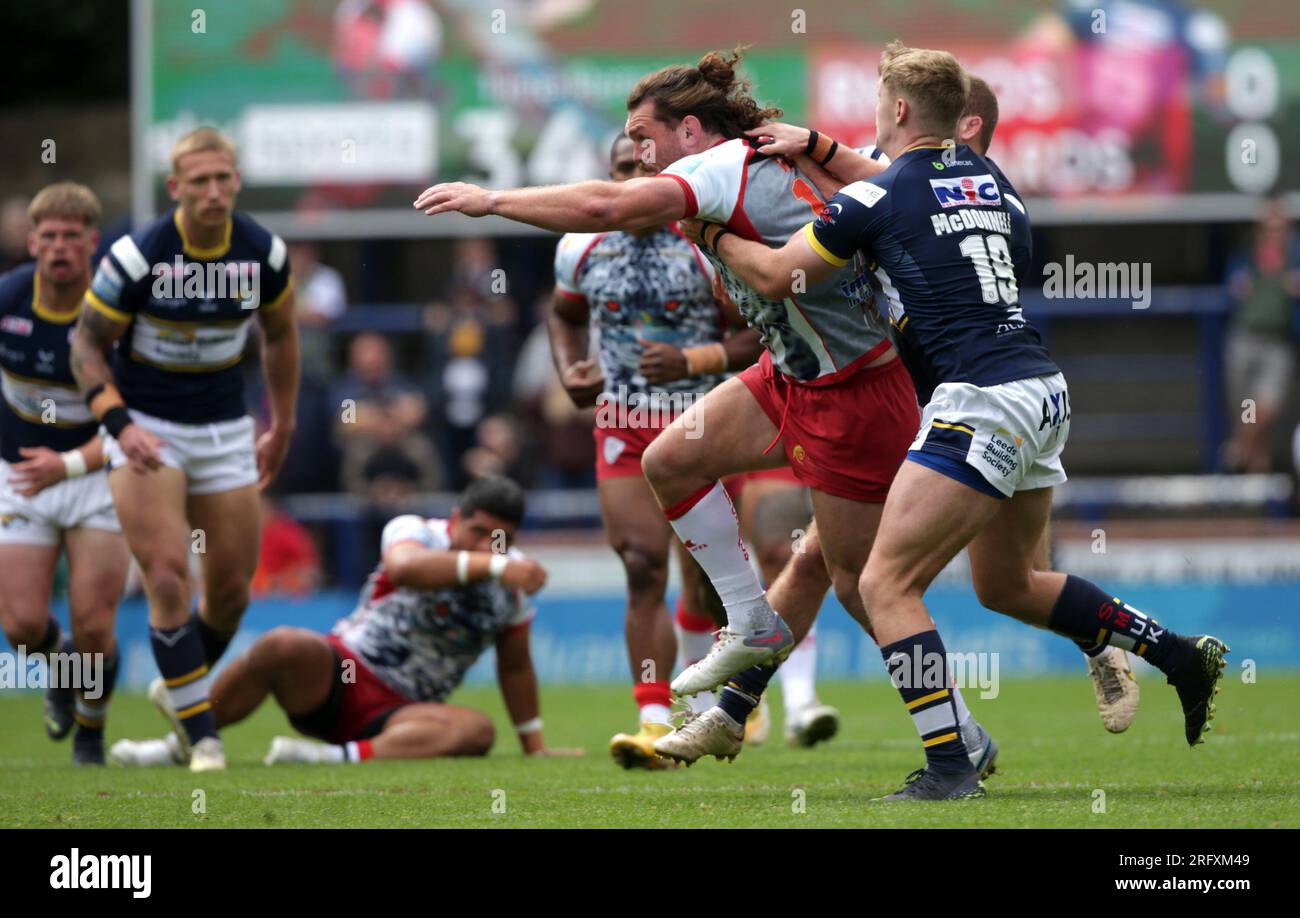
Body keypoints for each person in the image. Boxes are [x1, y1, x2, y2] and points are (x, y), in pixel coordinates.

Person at [414, 47, 999, 778]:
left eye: (645, 139)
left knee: (861, 587)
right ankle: (751, 620)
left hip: (855, 392)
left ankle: (961, 736)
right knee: (673, 459)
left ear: (690, 130)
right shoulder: (757, 161)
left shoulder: (715, 168)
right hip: (789, 374)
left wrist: (492, 200)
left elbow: (604, 205)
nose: (638, 154)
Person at [696, 42, 1227, 800]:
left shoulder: (880, 197)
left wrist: (710, 230)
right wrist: (816, 147)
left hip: (980, 400)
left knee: (884, 582)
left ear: (901, 111)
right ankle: (1179, 656)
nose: (875, 121)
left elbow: (781, 276)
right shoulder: (996, 185)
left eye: (882, 105)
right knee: (1009, 583)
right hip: (1042, 391)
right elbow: (901, 186)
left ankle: (950, 766)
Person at [70, 127, 301, 772]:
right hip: (148, 427)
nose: (214, 191)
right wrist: (119, 424)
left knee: (229, 593)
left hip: (226, 429)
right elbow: (85, 347)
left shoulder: (263, 252)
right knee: (169, 575)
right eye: (199, 181)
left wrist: (281, 425)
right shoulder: (138, 256)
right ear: (175, 188)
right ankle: (203, 740)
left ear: (236, 182)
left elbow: (281, 337)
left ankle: (181, 682)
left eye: (223, 178)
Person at [547, 132, 762, 768]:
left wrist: (693, 359)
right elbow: (562, 315)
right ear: (606, 178)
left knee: (701, 584)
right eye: (619, 170)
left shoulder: (707, 244)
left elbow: (757, 335)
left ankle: (702, 710)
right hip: (621, 420)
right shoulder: (579, 246)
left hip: (703, 426)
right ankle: (650, 720)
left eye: (644, 170)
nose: (630, 182)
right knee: (641, 564)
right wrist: (570, 370)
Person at [111, 476, 583, 765]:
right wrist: (497, 563)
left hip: (404, 715)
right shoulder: (417, 530)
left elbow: (516, 666)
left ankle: (325, 758)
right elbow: (405, 569)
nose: (485, 545)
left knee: (476, 731)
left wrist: (534, 745)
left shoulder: (513, 583)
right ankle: (183, 741)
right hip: (341, 673)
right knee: (282, 644)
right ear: (455, 518)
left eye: (498, 540)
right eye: (477, 531)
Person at [0, 183, 129, 765]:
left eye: (71, 237)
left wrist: (69, 464)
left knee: (96, 627)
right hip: (21, 474)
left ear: (92, 244)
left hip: (94, 475)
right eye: (48, 236)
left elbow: (137, 420)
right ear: (31, 243)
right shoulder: (7, 300)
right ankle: (65, 668)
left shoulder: (116, 312)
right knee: (23, 625)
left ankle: (91, 734)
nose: (59, 248)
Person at [1223, 196, 1300, 474]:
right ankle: (1256, 477)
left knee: (1268, 407)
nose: (1274, 233)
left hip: (1279, 342)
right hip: (1245, 338)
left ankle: (1237, 447)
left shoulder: (1295, 255)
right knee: (1247, 409)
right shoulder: (1247, 251)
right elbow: (1230, 284)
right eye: (1268, 227)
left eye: (1279, 228)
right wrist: (1235, 286)